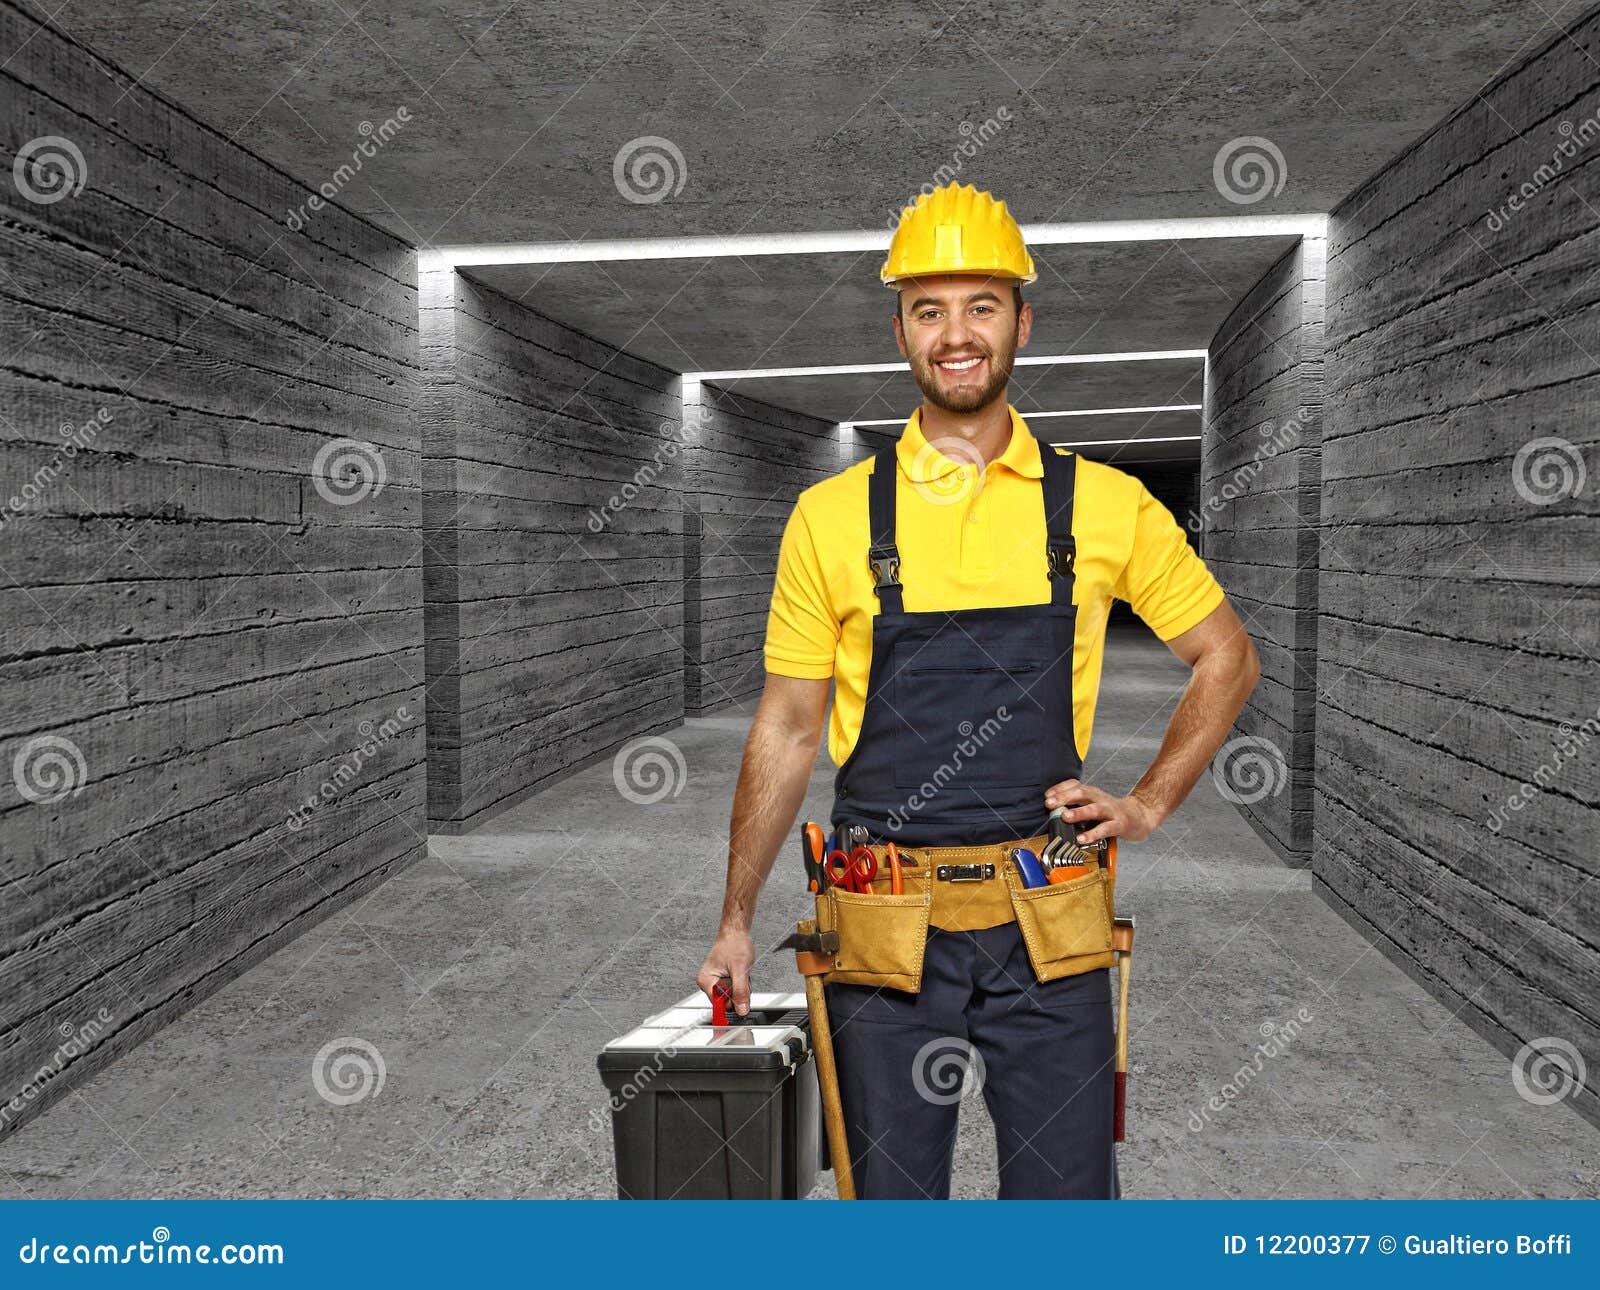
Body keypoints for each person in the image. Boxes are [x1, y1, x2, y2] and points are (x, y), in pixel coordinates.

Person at [695, 182, 1259, 1199]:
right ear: (902, 328)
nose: (955, 335)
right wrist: (736, 921)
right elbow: (784, 731)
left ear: (1021, 322)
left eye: (980, 307)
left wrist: (1148, 802)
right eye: (928, 309)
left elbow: (1227, 655)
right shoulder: (830, 519)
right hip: (880, 913)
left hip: (1050, 901)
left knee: (1065, 1212)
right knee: (895, 1212)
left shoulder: (1103, 505)